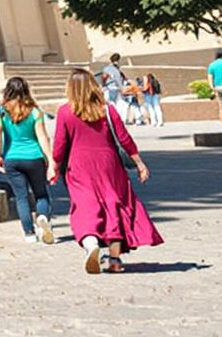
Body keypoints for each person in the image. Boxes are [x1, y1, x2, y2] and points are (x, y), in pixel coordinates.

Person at [48, 66, 161, 273]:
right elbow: (124, 138)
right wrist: (139, 163)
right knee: (114, 205)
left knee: (85, 205)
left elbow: (60, 145)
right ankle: (114, 260)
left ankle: (91, 243)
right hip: (109, 164)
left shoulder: (65, 111)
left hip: (79, 165)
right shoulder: (107, 109)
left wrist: (53, 166)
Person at [0, 76, 56, 246]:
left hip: (12, 158)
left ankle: (29, 233)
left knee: (21, 197)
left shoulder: (1, 111)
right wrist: (50, 159)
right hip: (34, 157)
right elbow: (43, 137)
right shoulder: (34, 111)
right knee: (41, 194)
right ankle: (43, 217)